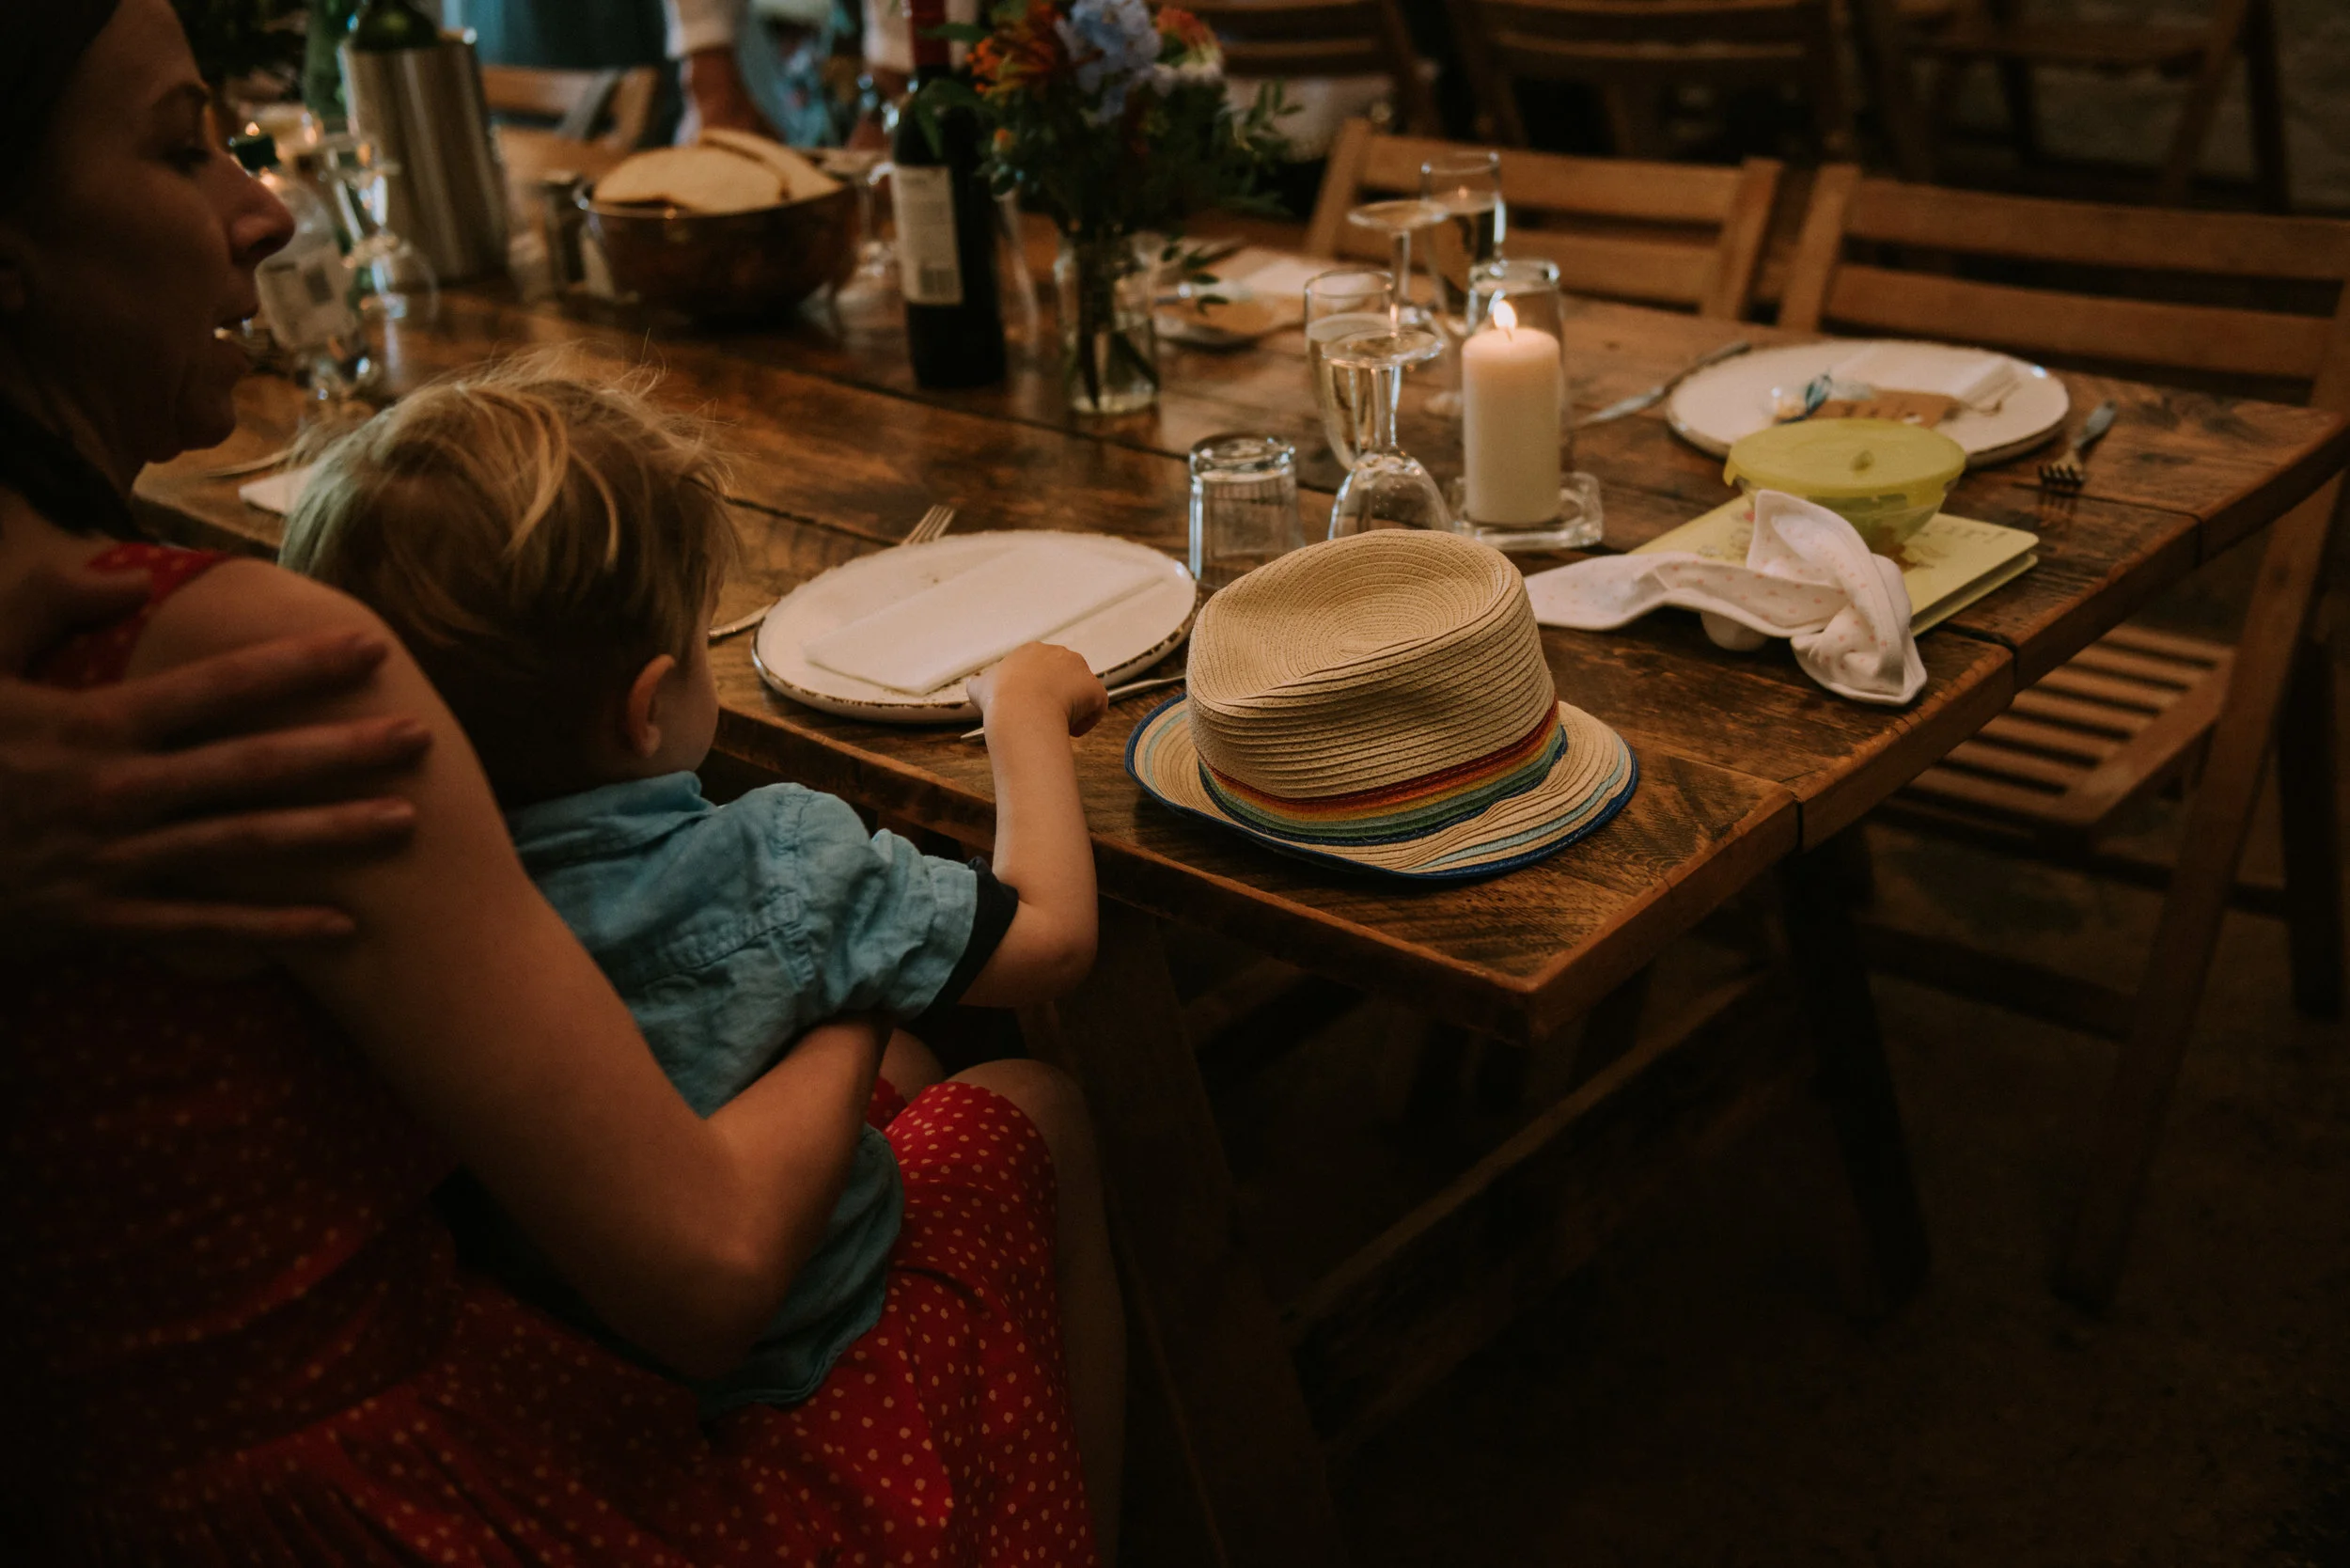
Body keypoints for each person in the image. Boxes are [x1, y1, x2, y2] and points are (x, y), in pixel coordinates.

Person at [0, 2, 1123, 1560]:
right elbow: (714, 1268)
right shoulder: (242, 663)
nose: (264, 208)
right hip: (401, 1486)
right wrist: (841, 943)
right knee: (1022, 1104)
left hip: (123, 1465)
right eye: (184, 147)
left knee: (919, 1067)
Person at [276, 356, 1109, 1419]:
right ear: (646, 707)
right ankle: (1054, 1481)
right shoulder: (781, 859)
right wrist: (1022, 712)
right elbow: (1051, 938)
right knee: (1039, 1103)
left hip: (566, 1368)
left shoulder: (384, 898)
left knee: (909, 1058)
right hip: (809, 1372)